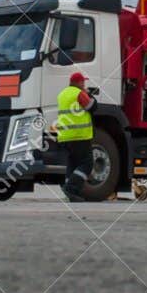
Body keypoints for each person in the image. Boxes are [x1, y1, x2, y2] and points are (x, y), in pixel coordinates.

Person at [56, 71, 95, 201]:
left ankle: (72, 193)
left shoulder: (62, 94)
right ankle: (71, 188)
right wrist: (90, 95)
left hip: (65, 135)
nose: (84, 84)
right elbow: (92, 107)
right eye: (83, 82)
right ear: (79, 82)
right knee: (87, 163)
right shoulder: (79, 93)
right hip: (79, 135)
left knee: (72, 164)